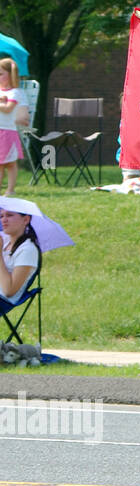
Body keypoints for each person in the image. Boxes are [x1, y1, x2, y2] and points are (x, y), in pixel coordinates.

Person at [0, 205, 40, 305]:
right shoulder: (4, 241)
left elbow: (9, 291)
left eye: (9, 215)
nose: (4, 220)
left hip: (3, 301)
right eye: (1, 216)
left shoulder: (28, 250)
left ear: (26, 219)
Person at [0, 59, 27, 196]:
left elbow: (8, 109)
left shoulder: (15, 93)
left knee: (9, 163)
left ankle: (10, 190)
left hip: (7, 131)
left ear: (10, 75)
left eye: (1, 74)